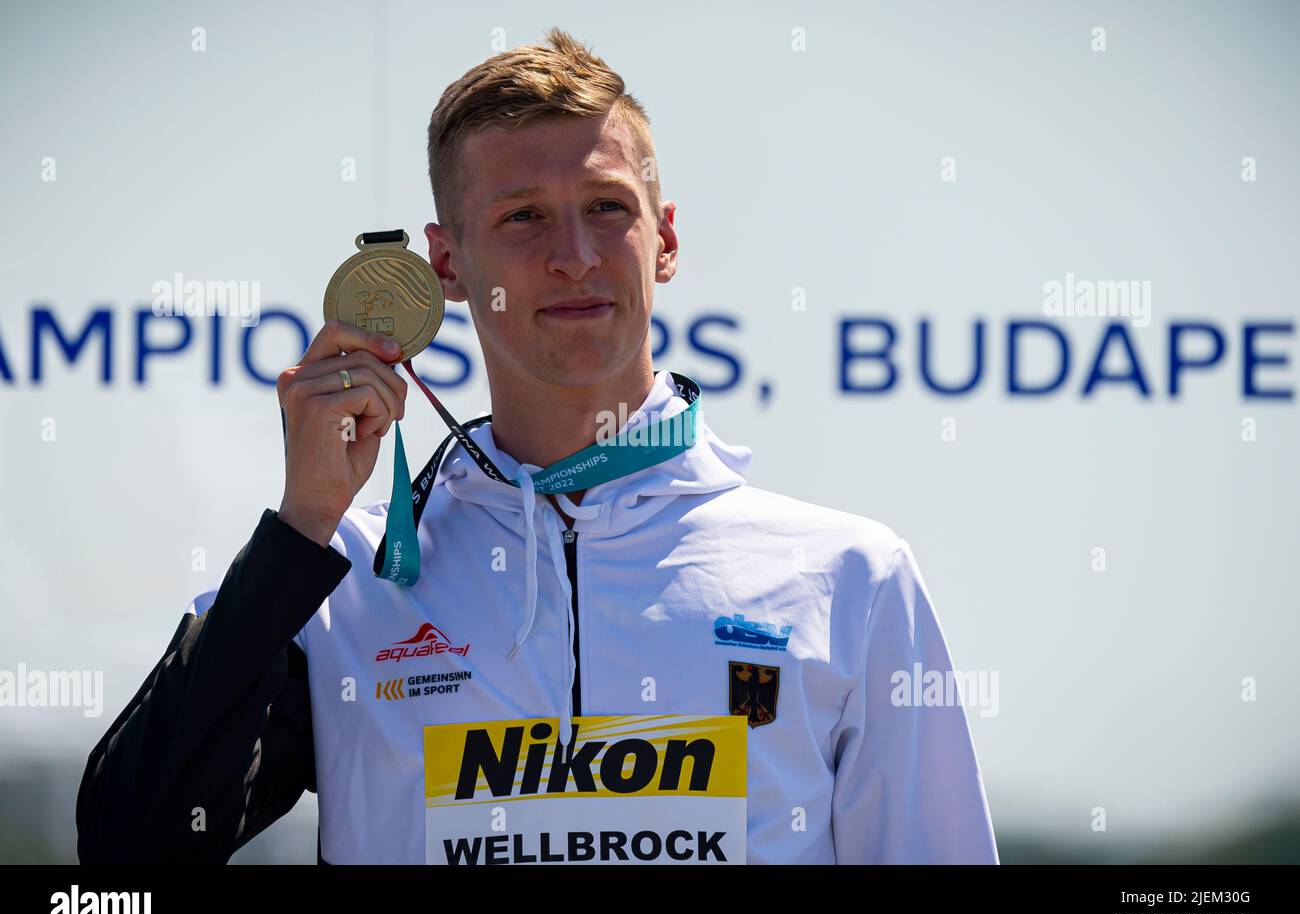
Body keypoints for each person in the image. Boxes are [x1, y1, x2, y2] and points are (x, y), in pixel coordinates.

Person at [77, 27, 998, 865]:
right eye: (522, 216)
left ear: (664, 238)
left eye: (607, 208)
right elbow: (128, 852)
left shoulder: (850, 578)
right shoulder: (342, 579)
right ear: (445, 266)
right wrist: (300, 527)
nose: (576, 256)